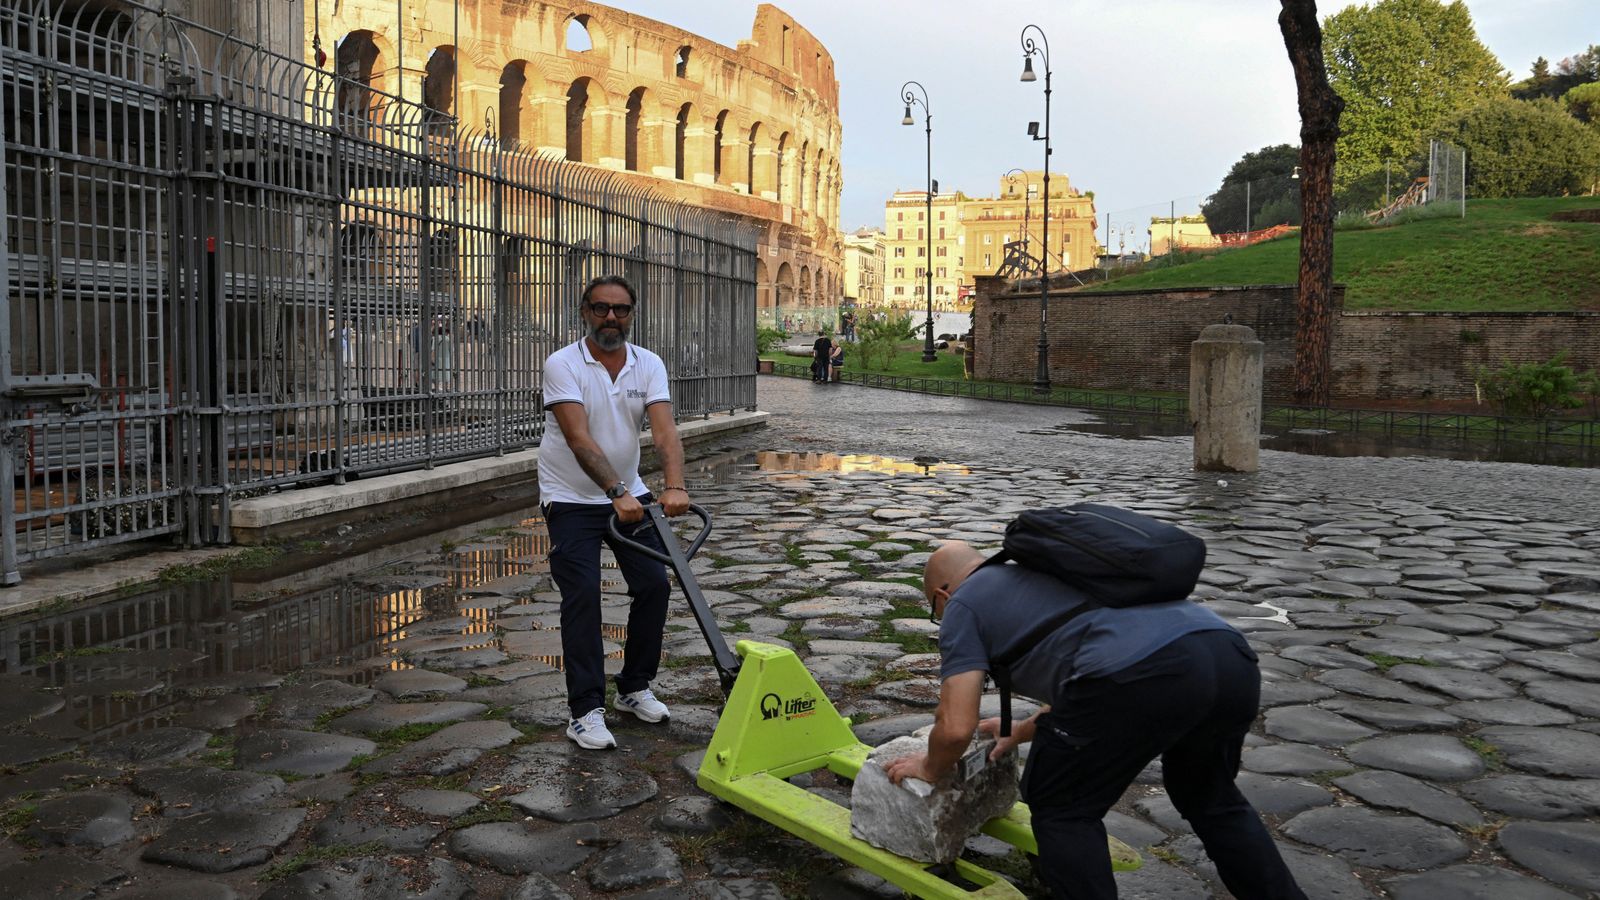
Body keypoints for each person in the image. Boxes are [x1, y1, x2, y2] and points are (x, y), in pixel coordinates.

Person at [886, 538, 1307, 900]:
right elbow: (1087, 683)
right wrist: (1019, 730)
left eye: (935, 612)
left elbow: (956, 727)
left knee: (1061, 808)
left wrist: (928, 767)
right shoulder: (1047, 577)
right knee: (1213, 801)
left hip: (1142, 674)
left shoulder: (963, 604)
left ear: (941, 596)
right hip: (1227, 655)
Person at [537, 274, 691, 751]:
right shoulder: (563, 364)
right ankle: (585, 710)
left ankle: (634, 686)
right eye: (601, 308)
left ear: (631, 314)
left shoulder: (648, 364)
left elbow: (664, 432)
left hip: (631, 493)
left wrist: (674, 485)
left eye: (620, 310)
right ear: (585, 312)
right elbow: (579, 437)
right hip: (570, 496)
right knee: (582, 594)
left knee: (653, 584)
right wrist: (615, 489)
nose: (611, 318)